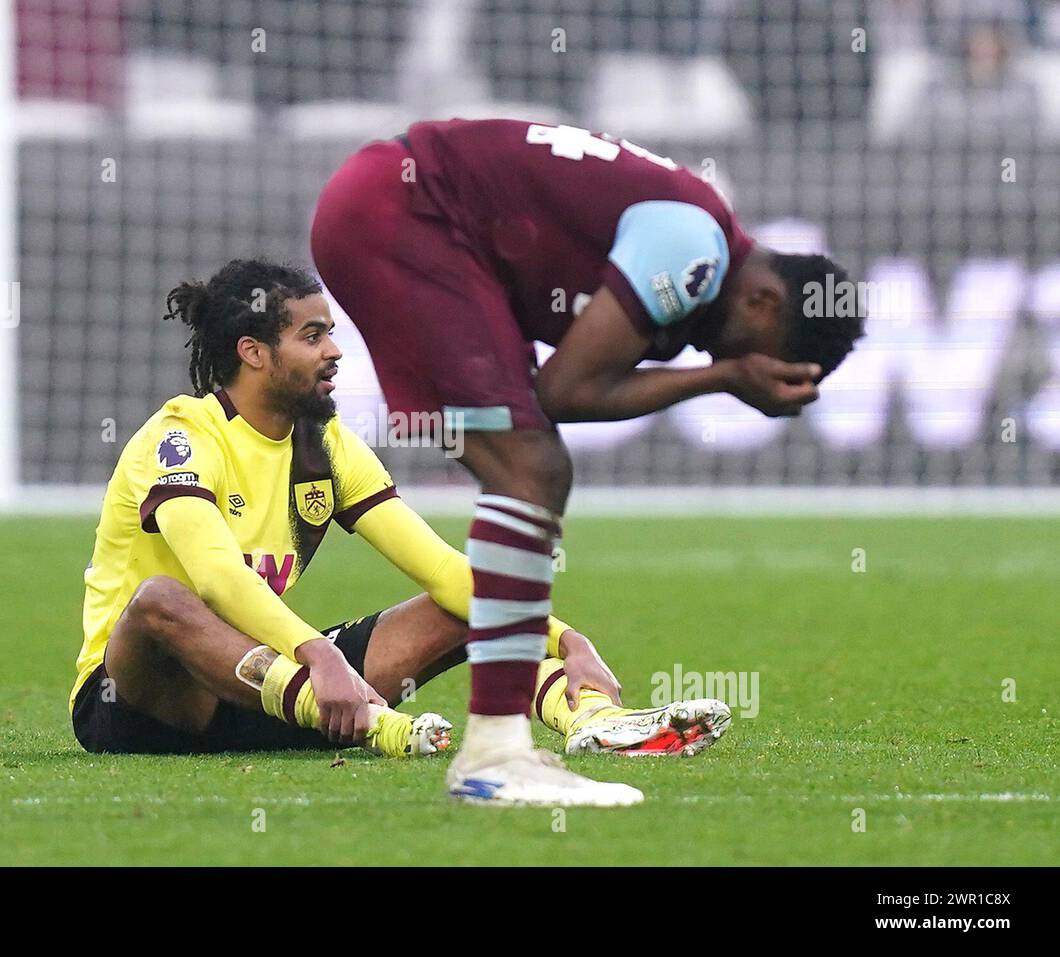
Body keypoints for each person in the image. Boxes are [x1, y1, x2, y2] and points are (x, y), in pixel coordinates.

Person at [311, 119, 863, 804]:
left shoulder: (698, 244)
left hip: (399, 208)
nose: (725, 361)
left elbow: (571, 393)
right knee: (532, 469)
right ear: (763, 300)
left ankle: (499, 747)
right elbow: (567, 388)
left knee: (532, 466)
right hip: (407, 210)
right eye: (755, 349)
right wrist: (727, 378)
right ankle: (495, 754)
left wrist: (728, 372)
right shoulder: (698, 252)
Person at [69, 259, 727, 802]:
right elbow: (214, 576)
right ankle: (377, 725)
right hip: (142, 704)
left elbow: (441, 567)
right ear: (254, 352)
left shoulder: (325, 444)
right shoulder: (180, 437)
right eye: (313, 336)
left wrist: (564, 634)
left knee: (464, 604)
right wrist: (320, 655)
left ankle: (591, 720)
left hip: (271, 691)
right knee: (160, 598)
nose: (335, 351)